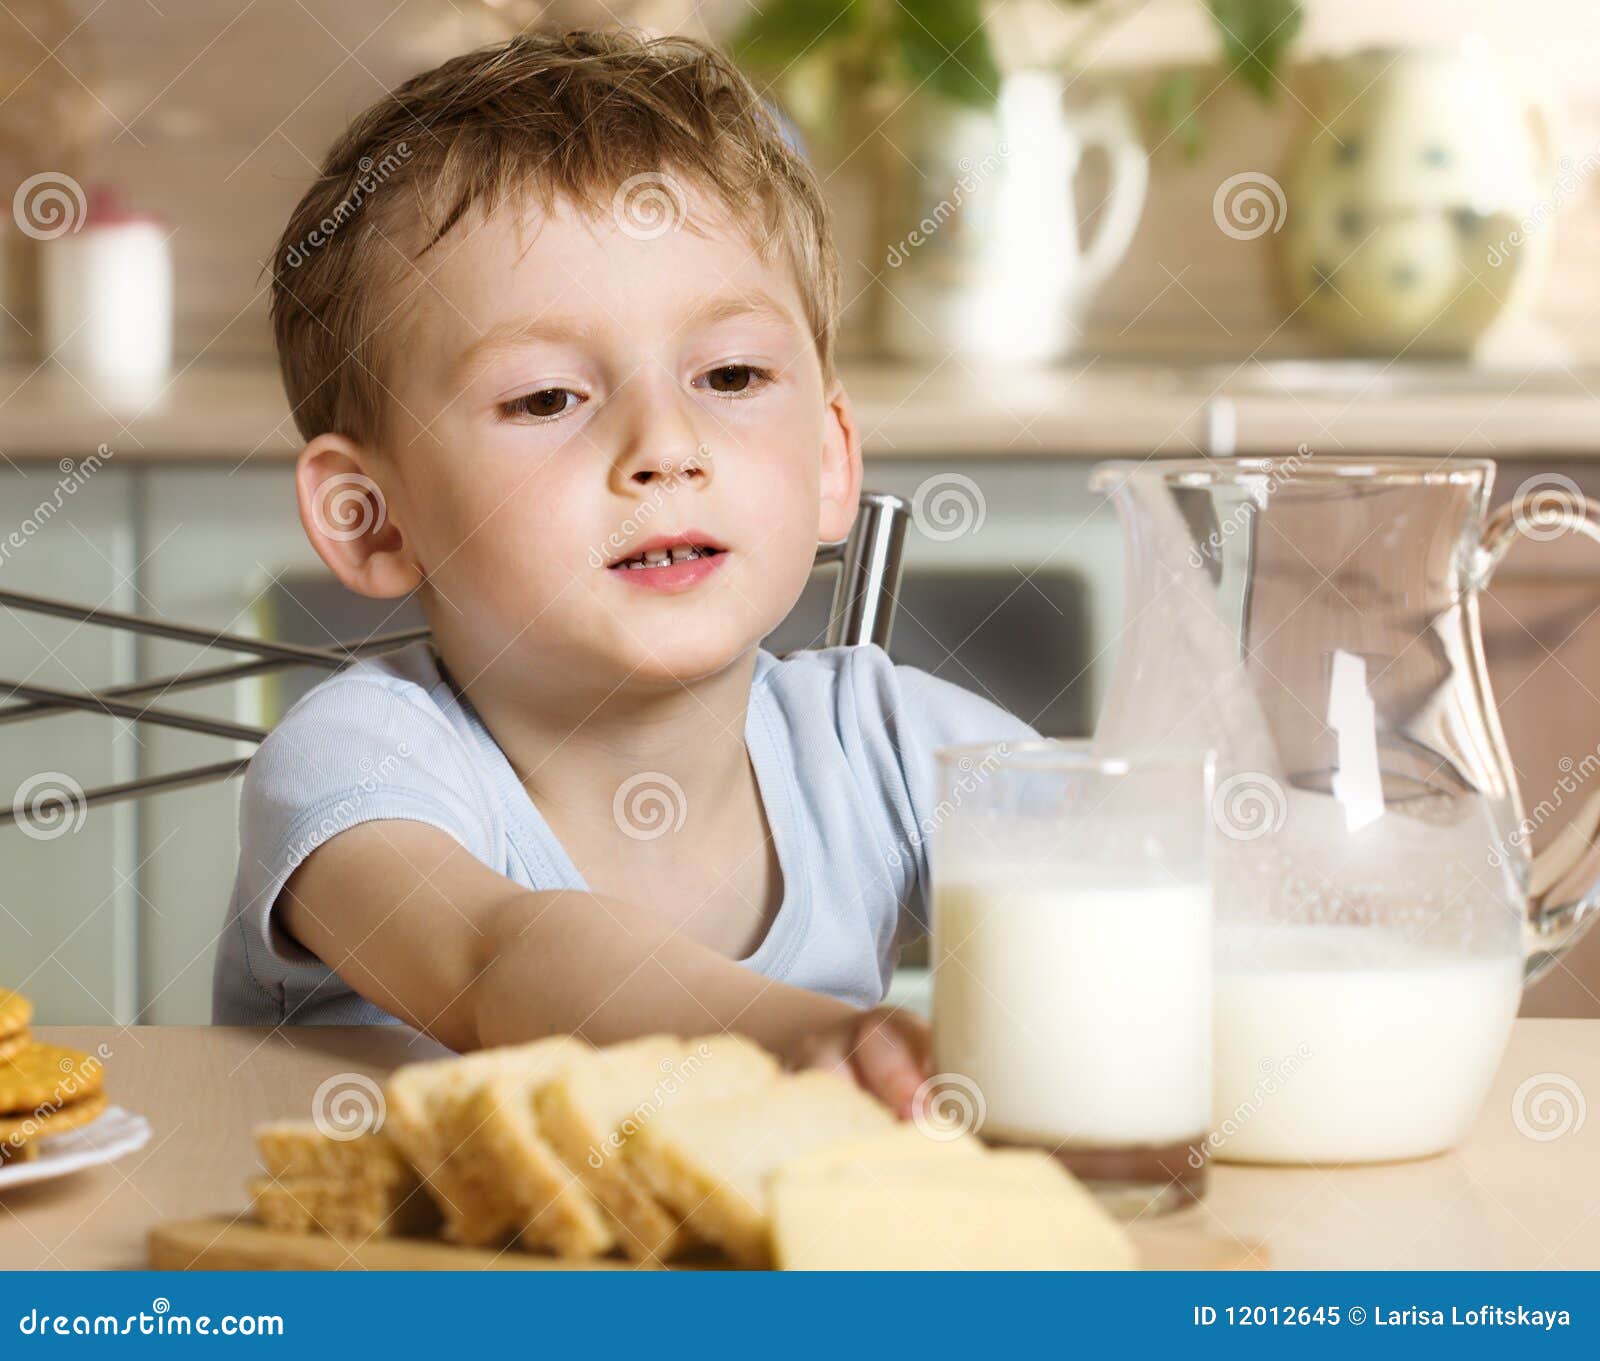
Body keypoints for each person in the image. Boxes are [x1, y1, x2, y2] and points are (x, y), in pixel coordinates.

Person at [213, 28, 1037, 1117]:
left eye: (731, 374)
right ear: (370, 517)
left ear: (830, 460)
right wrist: (807, 1042)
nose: (664, 443)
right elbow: (497, 958)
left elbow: (1152, 883)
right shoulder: (354, 764)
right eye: (547, 398)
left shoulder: (880, 745)